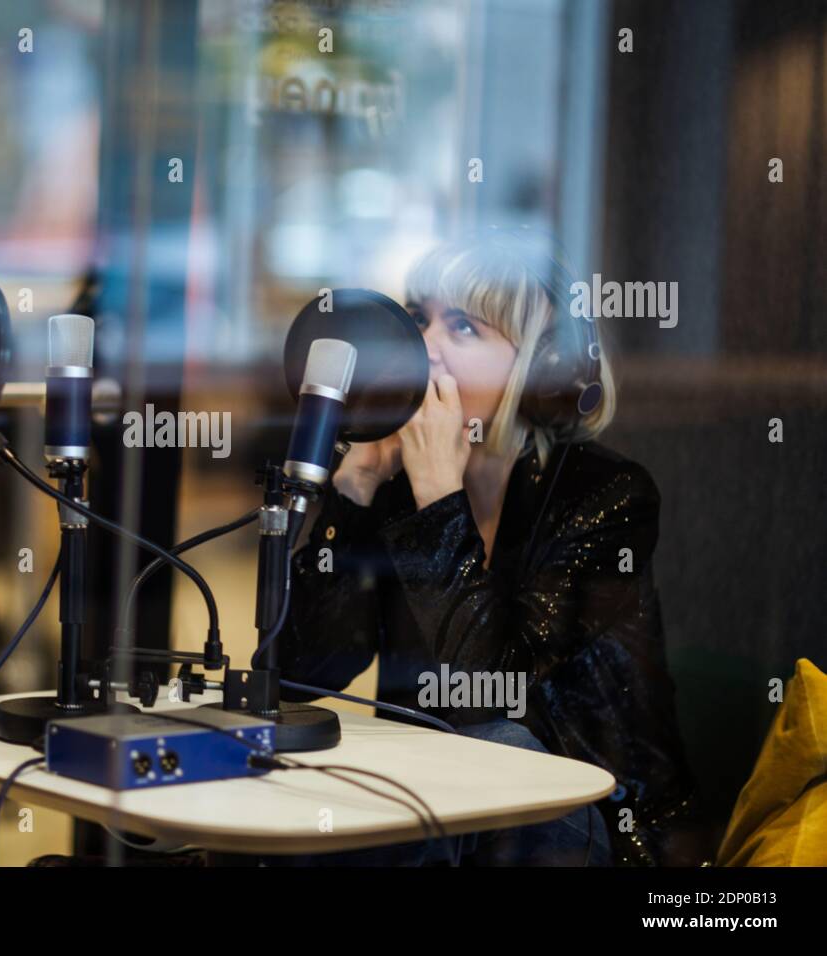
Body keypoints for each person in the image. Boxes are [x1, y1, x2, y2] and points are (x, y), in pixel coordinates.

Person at [277, 232, 707, 866]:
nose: (423, 347)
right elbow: (304, 672)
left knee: (499, 741)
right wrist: (356, 489)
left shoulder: (605, 495)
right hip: (434, 807)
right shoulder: (399, 489)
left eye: (463, 328)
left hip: (588, 819)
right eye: (420, 318)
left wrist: (438, 499)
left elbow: (490, 690)